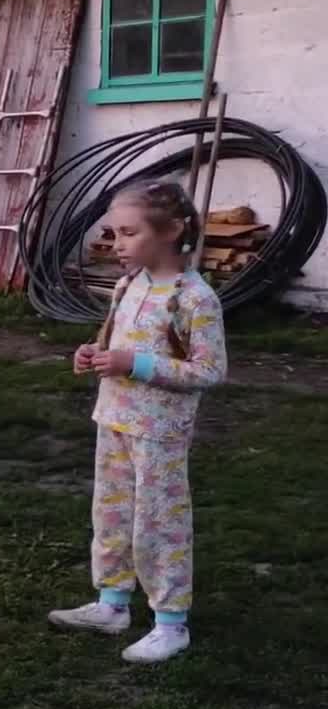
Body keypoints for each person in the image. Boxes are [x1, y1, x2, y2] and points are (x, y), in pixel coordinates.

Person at [50, 182, 227, 664]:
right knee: (110, 515)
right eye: (114, 233)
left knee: (159, 523)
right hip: (114, 420)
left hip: (160, 433)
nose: (117, 243)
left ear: (171, 231)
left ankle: (171, 623)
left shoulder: (196, 298)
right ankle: (112, 604)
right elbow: (115, 340)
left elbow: (210, 371)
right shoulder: (129, 285)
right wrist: (93, 353)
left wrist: (137, 364)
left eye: (129, 232)